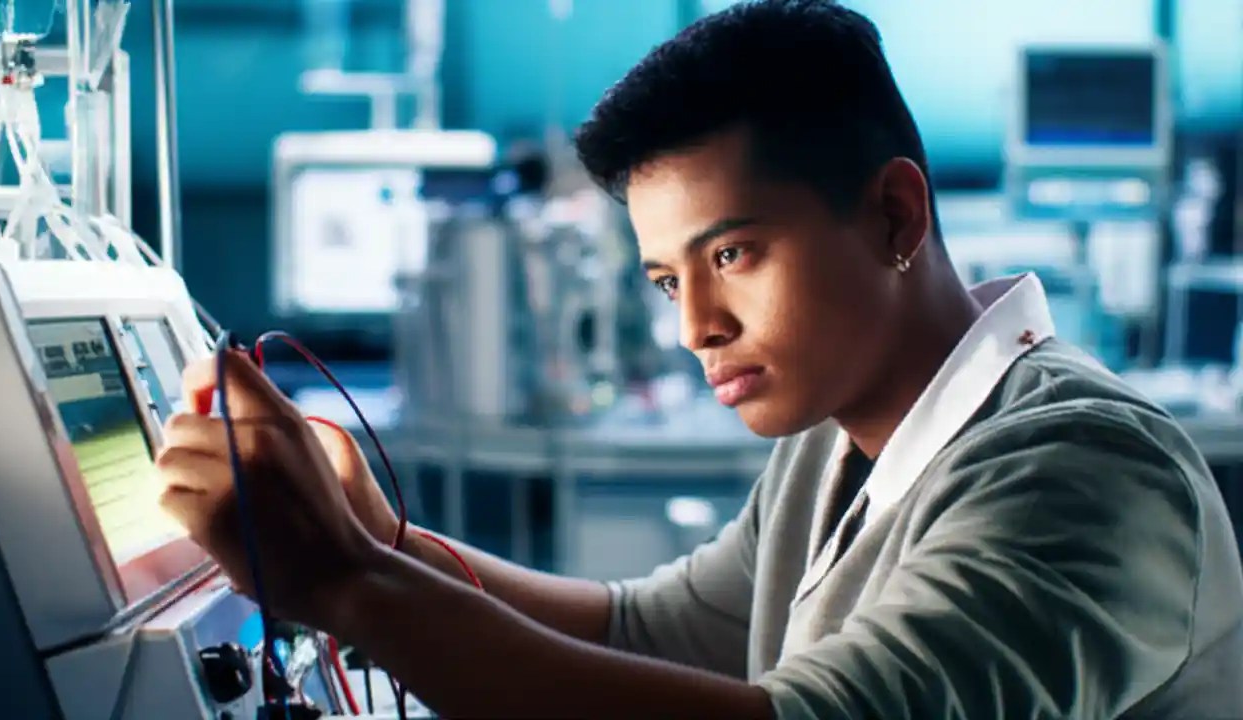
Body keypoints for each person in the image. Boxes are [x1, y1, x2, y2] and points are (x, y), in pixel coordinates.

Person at [156, 1, 1243, 717]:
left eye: (733, 254)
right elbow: (658, 634)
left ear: (895, 215)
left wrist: (352, 584)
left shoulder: (1080, 474)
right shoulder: (838, 444)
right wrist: (385, 542)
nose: (696, 329)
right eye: (671, 279)